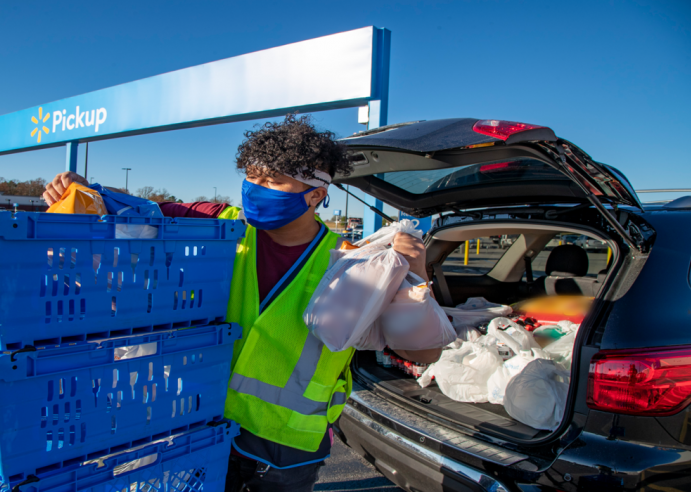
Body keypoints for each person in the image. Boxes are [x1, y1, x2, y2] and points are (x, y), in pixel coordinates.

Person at [42, 114, 434, 491]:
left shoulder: (354, 261)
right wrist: (81, 187)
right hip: (206, 421)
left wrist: (416, 274)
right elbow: (139, 211)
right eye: (251, 177)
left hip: (287, 441)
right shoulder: (223, 227)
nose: (254, 189)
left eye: (271, 181)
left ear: (315, 194)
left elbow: (422, 351)